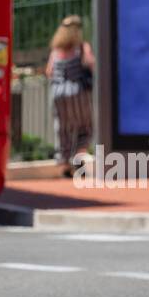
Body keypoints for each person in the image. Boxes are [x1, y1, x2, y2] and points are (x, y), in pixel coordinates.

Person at [44, 15, 94, 177]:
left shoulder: (56, 51)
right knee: (85, 127)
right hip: (78, 92)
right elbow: (91, 64)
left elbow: (49, 72)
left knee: (63, 129)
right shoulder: (81, 47)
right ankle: (79, 158)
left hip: (58, 94)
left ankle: (65, 164)